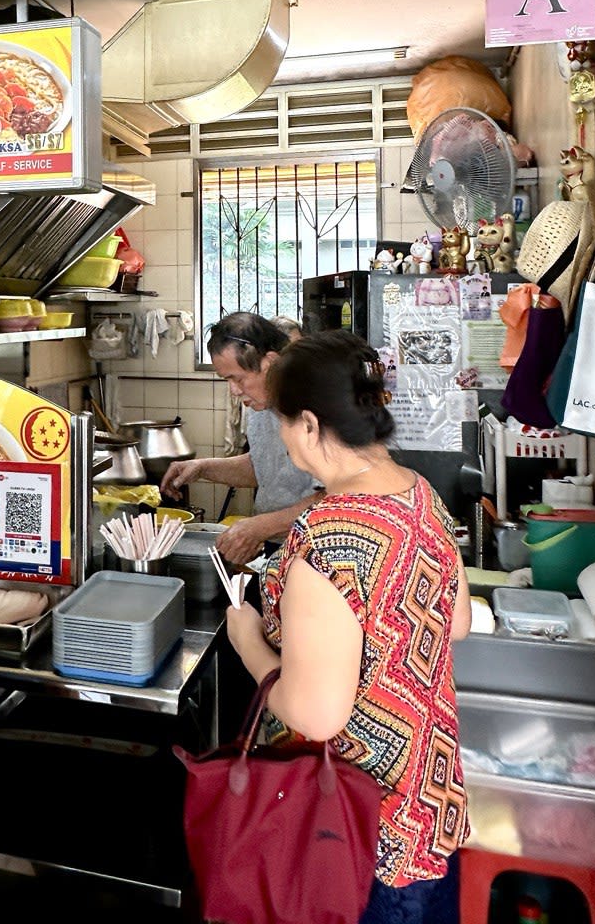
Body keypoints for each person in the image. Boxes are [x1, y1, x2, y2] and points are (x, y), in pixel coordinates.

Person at [225, 330, 472, 922]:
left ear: (309, 425)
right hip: (431, 810)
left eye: (285, 422)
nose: (283, 436)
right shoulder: (419, 493)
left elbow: (315, 715)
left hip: (359, 834)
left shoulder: (330, 540)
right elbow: (457, 621)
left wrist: (248, 640)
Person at [160, 312, 319, 565]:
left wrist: (260, 527)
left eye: (238, 378)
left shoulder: (316, 409)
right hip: (279, 548)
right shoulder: (260, 405)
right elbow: (264, 467)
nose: (234, 391)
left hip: (317, 553)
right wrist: (202, 468)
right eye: (227, 380)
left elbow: (338, 496)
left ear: (270, 361)